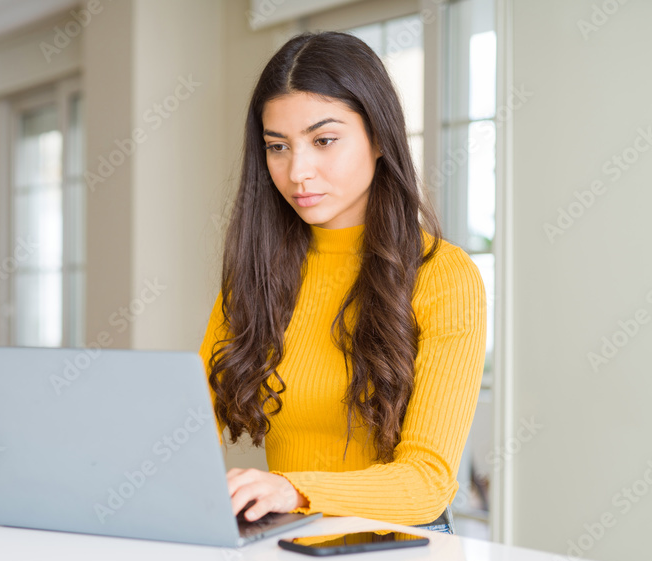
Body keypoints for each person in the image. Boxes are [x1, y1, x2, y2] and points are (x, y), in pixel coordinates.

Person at [198, 30, 486, 535]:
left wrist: (292, 489)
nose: (297, 171)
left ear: (378, 137)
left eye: (324, 140)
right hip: (287, 545)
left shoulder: (443, 275)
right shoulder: (257, 274)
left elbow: (426, 485)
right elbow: (186, 429)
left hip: (396, 553)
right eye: (278, 147)